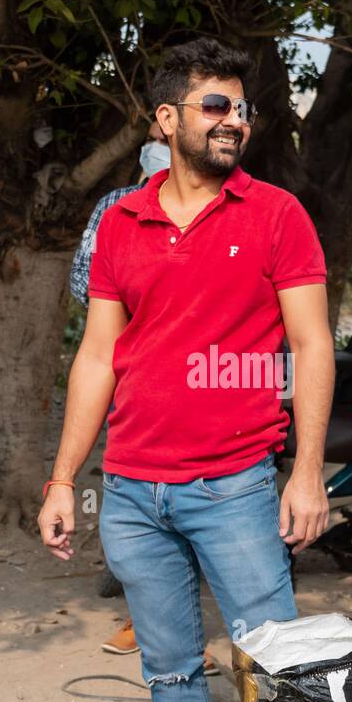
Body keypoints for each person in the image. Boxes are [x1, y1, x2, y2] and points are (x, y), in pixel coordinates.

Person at [38, 39, 334, 702]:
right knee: (169, 673)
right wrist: (63, 478)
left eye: (242, 108)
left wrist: (306, 474)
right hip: (134, 494)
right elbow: (98, 356)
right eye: (215, 106)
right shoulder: (120, 223)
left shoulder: (276, 214)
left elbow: (310, 344)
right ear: (167, 119)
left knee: (279, 666)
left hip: (233, 488)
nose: (234, 120)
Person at [68, 122, 218, 674]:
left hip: (213, 387)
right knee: (143, 504)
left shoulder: (225, 196)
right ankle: (149, 625)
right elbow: (85, 283)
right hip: (136, 384)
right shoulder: (117, 205)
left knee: (215, 507)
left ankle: (208, 634)